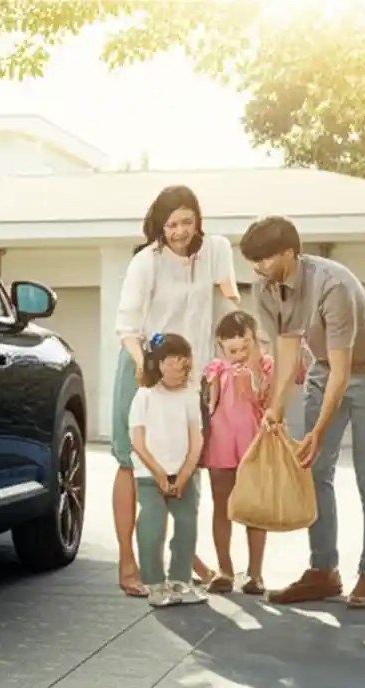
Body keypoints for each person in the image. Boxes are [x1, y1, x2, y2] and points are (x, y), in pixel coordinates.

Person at [240, 215, 365, 609]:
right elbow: (288, 348)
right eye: (253, 260)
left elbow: (342, 375)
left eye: (264, 259)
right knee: (313, 471)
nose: (257, 267)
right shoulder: (266, 289)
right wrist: (275, 408)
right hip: (323, 369)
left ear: (289, 253)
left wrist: (319, 431)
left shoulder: (333, 286)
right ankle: (324, 570)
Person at [113, 185, 240, 597]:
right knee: (132, 461)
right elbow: (128, 328)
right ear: (159, 225)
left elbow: (229, 303)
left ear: (198, 219)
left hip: (192, 373)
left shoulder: (216, 249)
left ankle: (185, 557)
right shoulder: (146, 262)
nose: (180, 231)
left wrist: (240, 353)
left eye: (187, 221)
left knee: (187, 458)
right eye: (171, 224)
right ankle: (128, 560)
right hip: (143, 367)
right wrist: (142, 368)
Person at [129, 332, 207, 607]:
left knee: (187, 525)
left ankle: (180, 582)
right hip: (150, 475)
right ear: (158, 363)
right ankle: (154, 584)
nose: (178, 368)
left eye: (183, 362)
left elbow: (196, 439)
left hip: (184, 474)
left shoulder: (190, 395)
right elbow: (137, 441)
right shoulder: (144, 395)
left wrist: (184, 475)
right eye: (171, 361)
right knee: (151, 525)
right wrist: (160, 474)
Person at [200, 310, 273, 594]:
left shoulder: (265, 366)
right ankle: (225, 570)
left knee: (254, 509)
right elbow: (209, 405)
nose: (239, 354)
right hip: (221, 442)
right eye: (233, 349)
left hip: (253, 444)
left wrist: (252, 373)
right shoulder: (217, 368)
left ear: (255, 340)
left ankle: (255, 573)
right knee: (222, 506)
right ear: (221, 344)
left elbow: (265, 400)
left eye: (245, 347)